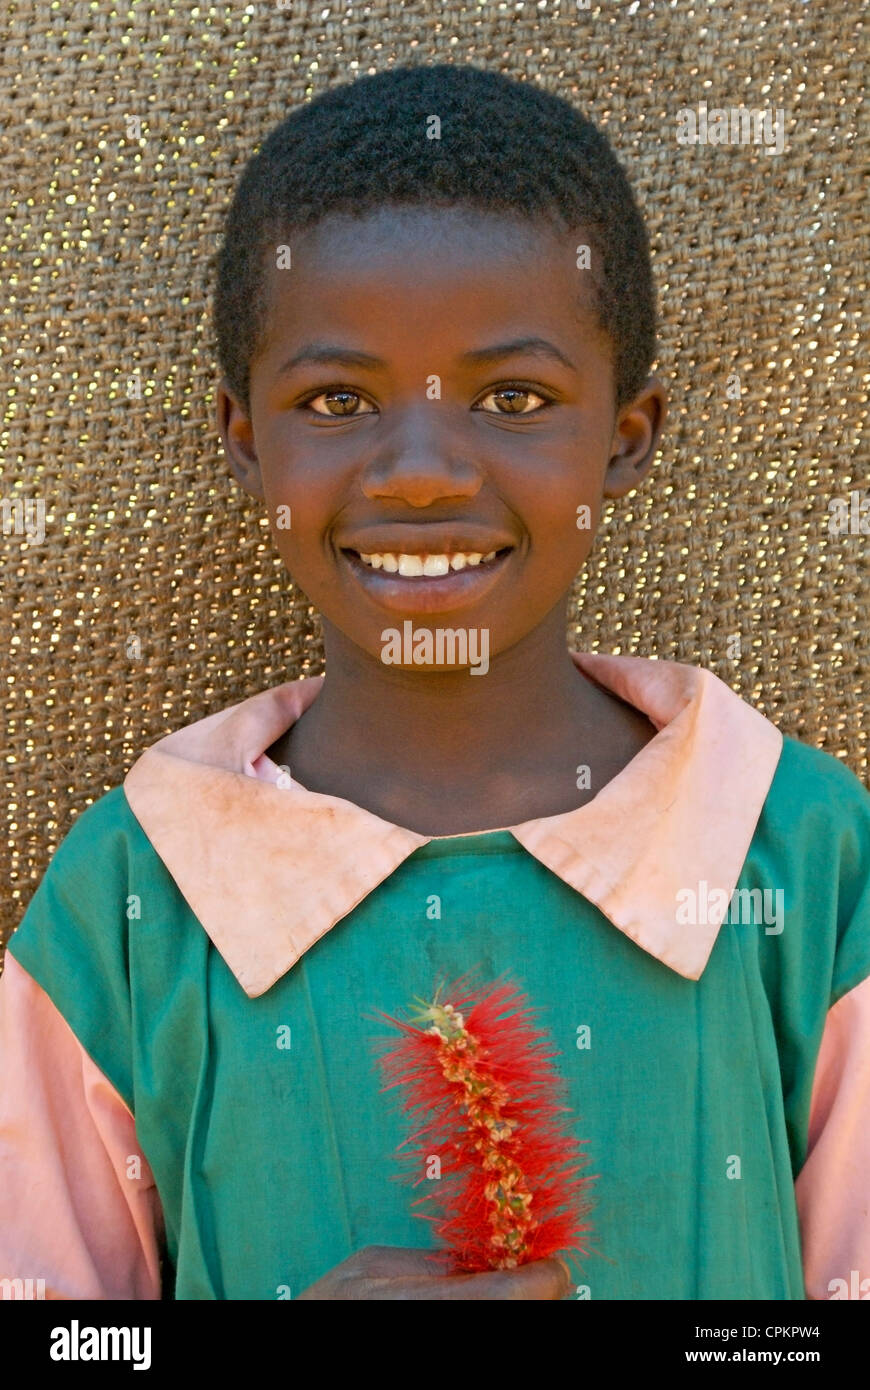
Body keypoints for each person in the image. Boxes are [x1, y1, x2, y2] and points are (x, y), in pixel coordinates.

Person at [1, 62, 867, 1302]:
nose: (418, 470)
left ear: (625, 436)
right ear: (247, 438)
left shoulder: (800, 864)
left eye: (514, 397)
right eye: (337, 398)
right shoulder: (134, 899)